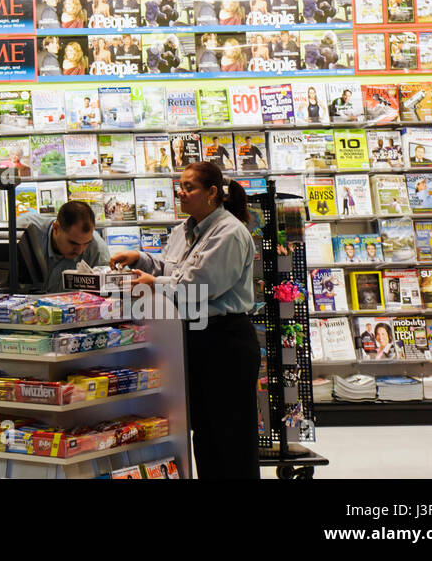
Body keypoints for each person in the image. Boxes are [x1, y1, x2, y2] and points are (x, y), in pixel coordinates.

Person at [110, 161, 259, 479]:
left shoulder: (229, 233)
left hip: (226, 340)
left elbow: (199, 287)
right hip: (195, 337)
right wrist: (142, 259)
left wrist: (154, 284)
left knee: (230, 435)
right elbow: (171, 267)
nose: (181, 192)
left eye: (189, 187)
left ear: (212, 193)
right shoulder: (184, 229)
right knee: (204, 430)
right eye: (180, 186)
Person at [17, 200, 110, 294]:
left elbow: (108, 295)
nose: (79, 251)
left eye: (86, 243)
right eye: (73, 243)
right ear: (56, 228)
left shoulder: (97, 249)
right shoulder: (23, 232)